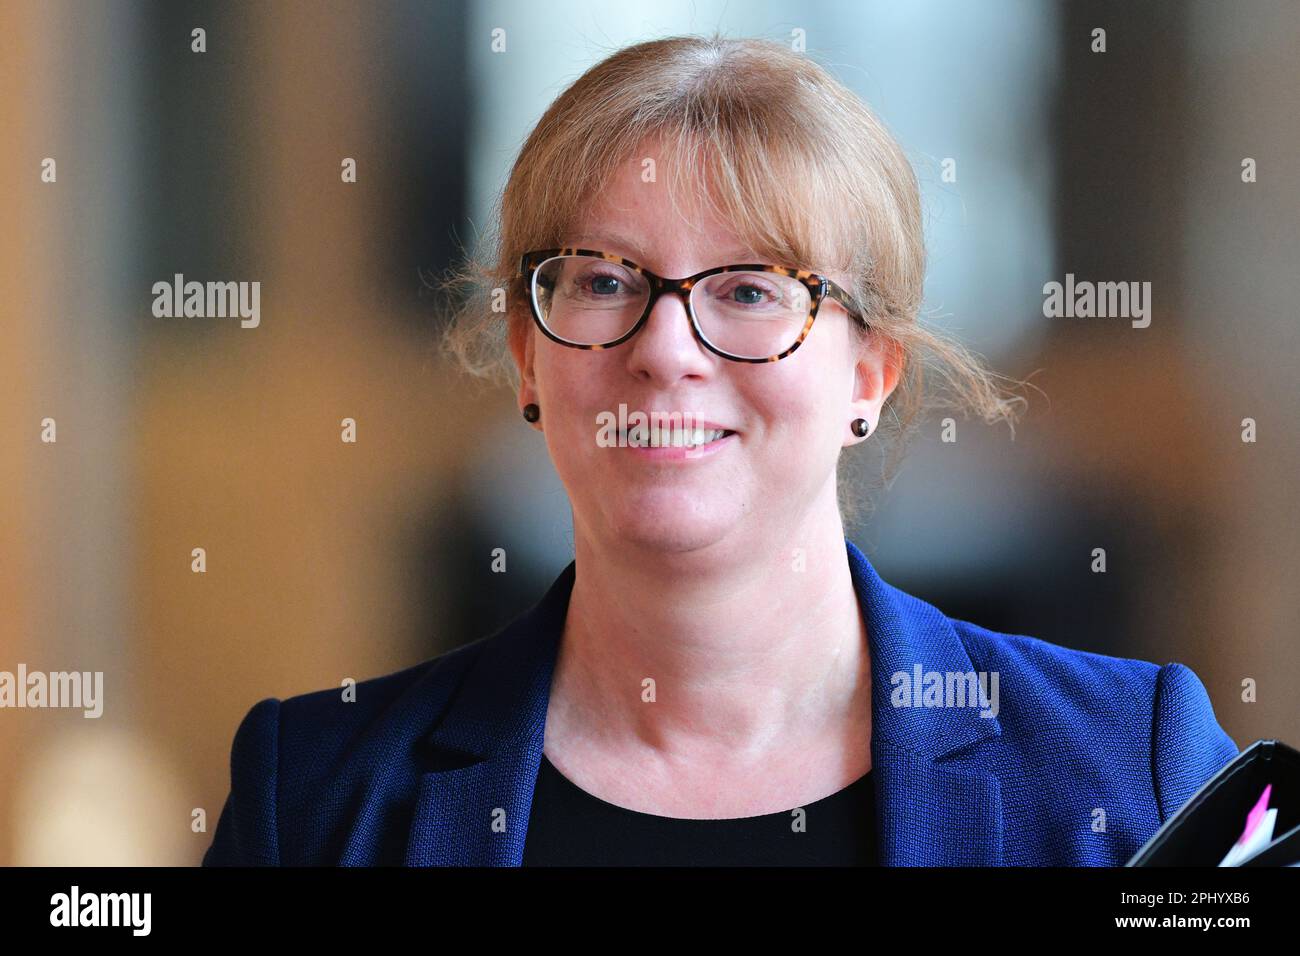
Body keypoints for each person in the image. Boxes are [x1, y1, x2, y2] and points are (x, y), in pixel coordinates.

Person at [204, 33, 1237, 867]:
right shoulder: (313, 794)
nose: (664, 350)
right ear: (526, 356)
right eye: (603, 281)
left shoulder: (1130, 771)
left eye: (748, 290)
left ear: (868, 373)